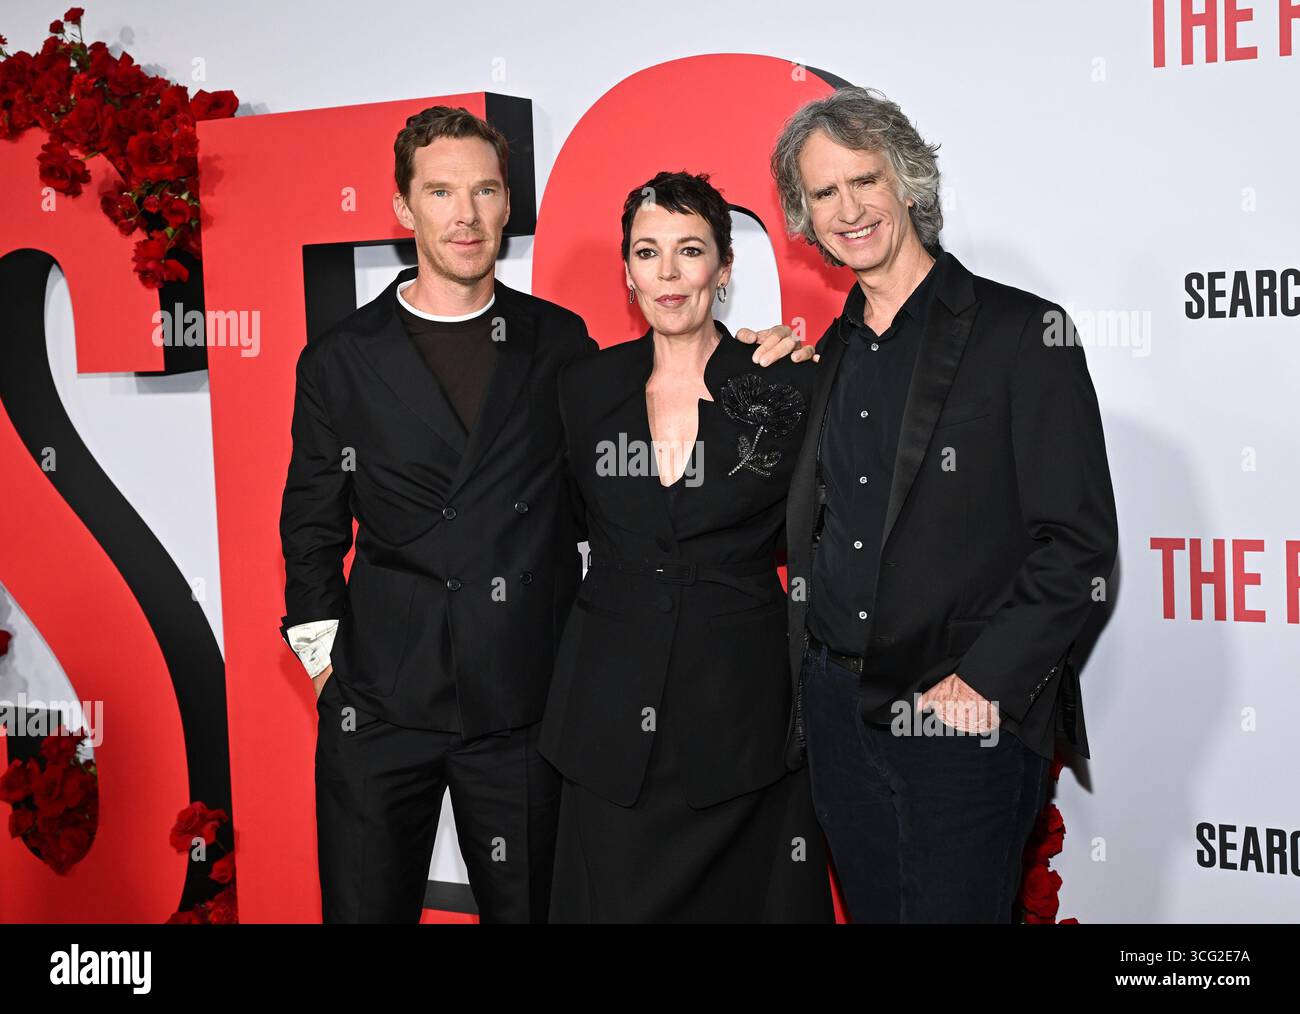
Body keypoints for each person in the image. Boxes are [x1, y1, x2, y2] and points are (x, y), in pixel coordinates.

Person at [278, 106, 807, 923]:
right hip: (379, 705)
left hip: (522, 706)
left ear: (506, 206)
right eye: (443, 191)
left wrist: (768, 357)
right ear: (402, 207)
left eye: (486, 190)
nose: (466, 214)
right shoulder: (342, 358)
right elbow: (311, 525)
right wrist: (325, 671)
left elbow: (614, 509)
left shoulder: (561, 348)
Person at [772, 87, 1118, 922]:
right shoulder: (825, 357)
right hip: (835, 710)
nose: (849, 209)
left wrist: (984, 685)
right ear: (804, 218)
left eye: (864, 181)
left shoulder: (1023, 332)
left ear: (909, 185)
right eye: (824, 194)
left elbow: (1076, 545)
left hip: (959, 721)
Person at [539, 171, 834, 923]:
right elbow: (568, 523)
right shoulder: (582, 387)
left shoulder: (787, 383)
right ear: (628, 271)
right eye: (647, 252)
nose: (668, 274)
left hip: (742, 723)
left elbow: (820, 535)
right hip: (607, 723)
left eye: (690, 250)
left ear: (724, 269)